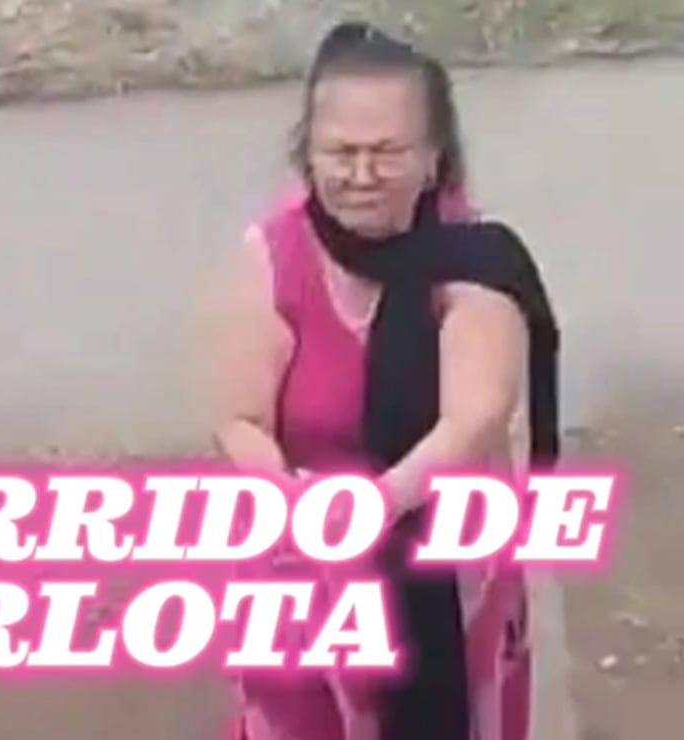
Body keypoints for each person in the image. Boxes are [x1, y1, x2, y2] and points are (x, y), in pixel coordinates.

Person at [211, 22, 573, 740]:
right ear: (308, 153)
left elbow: (473, 419)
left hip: (441, 562)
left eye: (386, 152)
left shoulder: (475, 258)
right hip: (303, 558)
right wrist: (292, 500)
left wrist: (375, 507)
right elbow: (238, 419)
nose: (361, 173)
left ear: (434, 158)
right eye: (341, 152)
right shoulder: (273, 254)